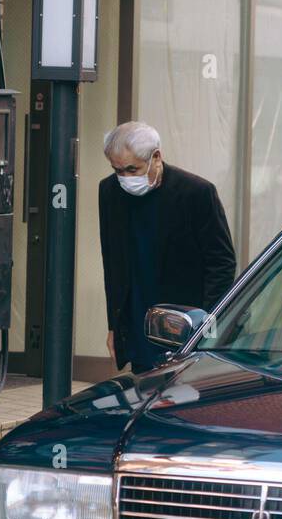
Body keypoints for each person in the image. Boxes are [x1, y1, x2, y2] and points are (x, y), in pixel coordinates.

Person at [99, 122, 236, 374]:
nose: (126, 178)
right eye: (118, 170)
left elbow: (221, 262)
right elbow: (112, 262)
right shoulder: (109, 191)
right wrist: (114, 327)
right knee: (144, 388)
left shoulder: (196, 193)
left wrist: (207, 324)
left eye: (132, 169)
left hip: (185, 320)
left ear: (156, 157)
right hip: (138, 316)